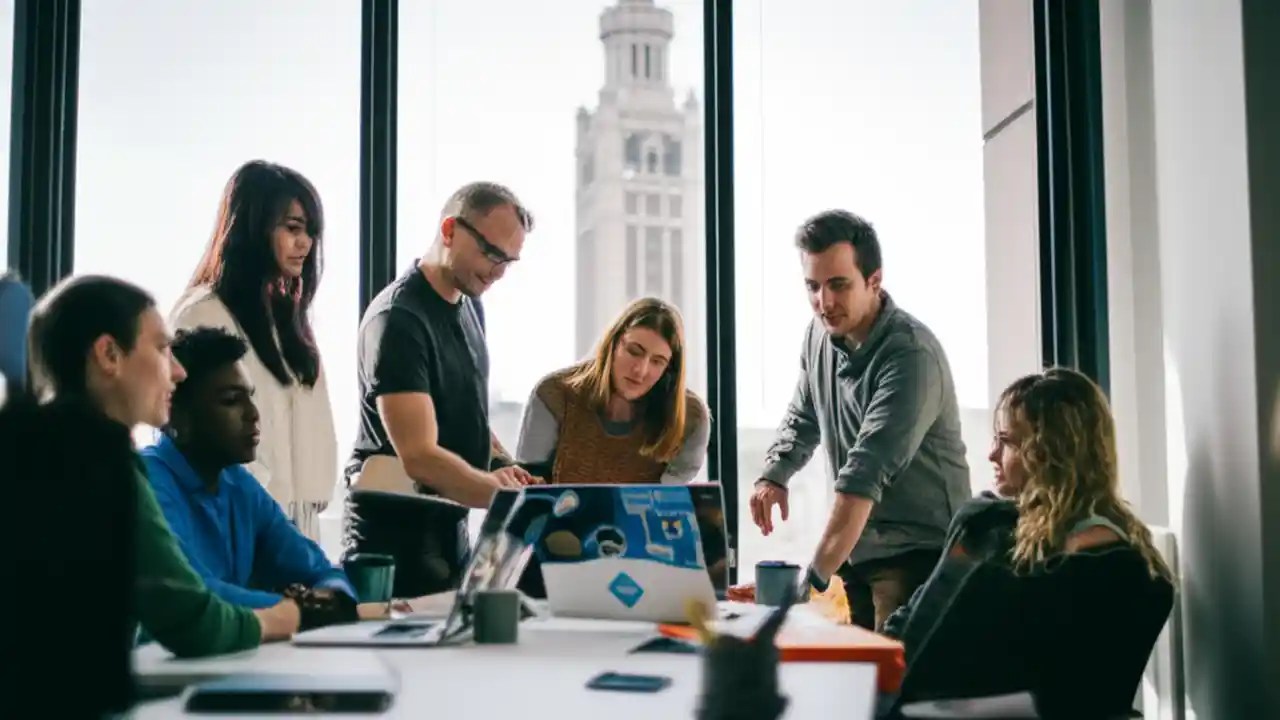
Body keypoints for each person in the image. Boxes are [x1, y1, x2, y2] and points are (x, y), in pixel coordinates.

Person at [23, 275, 299, 657]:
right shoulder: (102, 464)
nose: (177, 371)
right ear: (109, 355)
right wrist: (282, 617)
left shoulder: (38, 449)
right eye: (162, 349)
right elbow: (189, 616)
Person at [882, 368, 1175, 717]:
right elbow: (923, 613)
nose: (992, 454)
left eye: (1007, 442)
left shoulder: (1100, 555)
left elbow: (1030, 667)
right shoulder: (998, 525)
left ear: (1052, 450)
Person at [748, 210, 971, 632]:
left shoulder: (910, 357)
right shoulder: (819, 334)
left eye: (838, 285)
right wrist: (774, 475)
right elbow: (804, 412)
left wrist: (809, 582)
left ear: (875, 280)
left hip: (919, 557)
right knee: (853, 685)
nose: (824, 302)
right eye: (812, 287)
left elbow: (863, 474)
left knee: (893, 686)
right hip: (858, 553)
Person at [345, 181, 540, 596]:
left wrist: (501, 466)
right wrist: (511, 503)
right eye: (491, 253)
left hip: (448, 532)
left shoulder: (471, 304)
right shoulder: (398, 319)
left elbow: (464, 415)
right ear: (450, 230)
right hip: (392, 543)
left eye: (509, 261)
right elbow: (420, 457)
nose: (497, 272)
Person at [143, 326, 358, 626]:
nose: (253, 414)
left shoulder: (238, 483)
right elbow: (194, 594)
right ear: (177, 416)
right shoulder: (148, 481)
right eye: (231, 401)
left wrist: (334, 596)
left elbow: (320, 570)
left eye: (250, 397)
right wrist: (303, 608)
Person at [172, 160, 337, 542]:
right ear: (253, 227)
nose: (306, 244)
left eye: (311, 232)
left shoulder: (288, 320)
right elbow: (185, 434)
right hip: (237, 524)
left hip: (296, 526)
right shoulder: (202, 314)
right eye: (293, 228)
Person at [516, 297, 709, 484]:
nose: (640, 370)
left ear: (669, 370)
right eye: (634, 351)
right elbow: (530, 485)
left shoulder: (689, 418)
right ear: (613, 344)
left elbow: (667, 504)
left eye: (657, 362)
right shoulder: (554, 394)